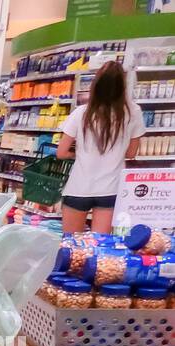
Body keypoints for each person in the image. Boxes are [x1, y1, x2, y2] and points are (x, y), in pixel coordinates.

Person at [55, 60, 144, 235]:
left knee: (72, 248)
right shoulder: (133, 112)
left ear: (96, 85)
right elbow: (131, 153)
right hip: (111, 190)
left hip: (78, 188)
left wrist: (79, 153)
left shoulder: (82, 113)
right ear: (122, 87)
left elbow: (61, 152)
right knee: (100, 249)